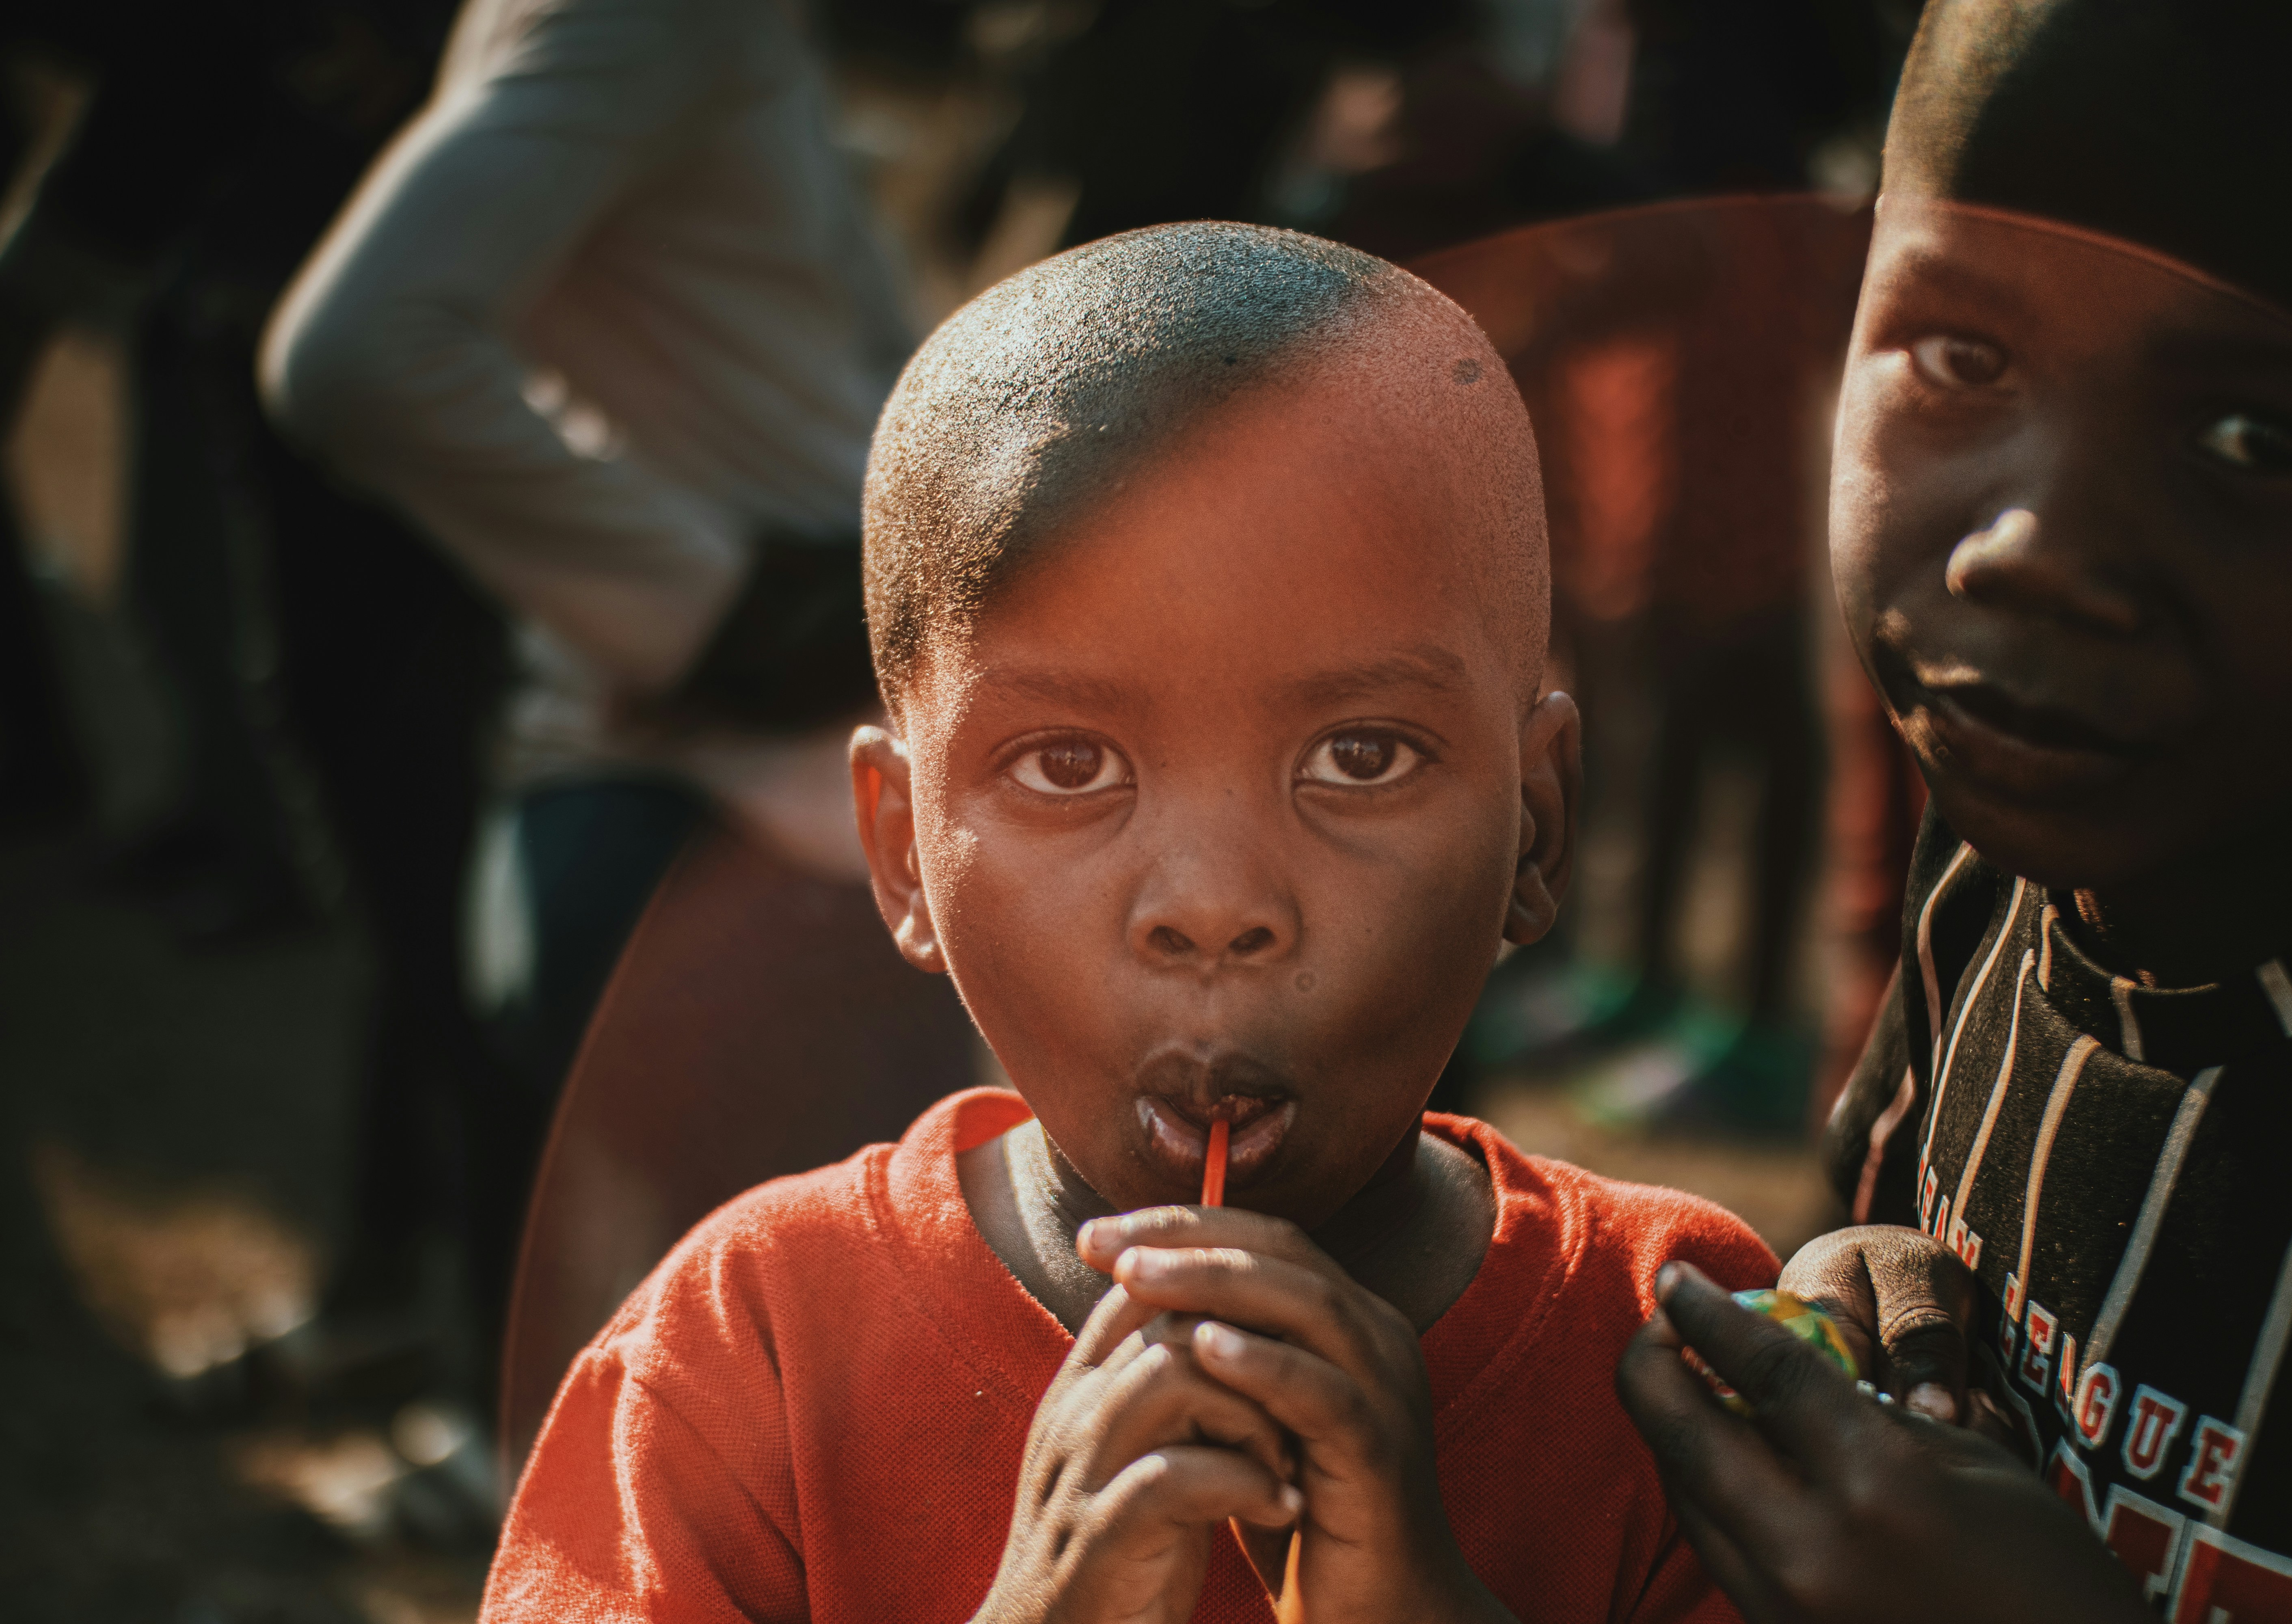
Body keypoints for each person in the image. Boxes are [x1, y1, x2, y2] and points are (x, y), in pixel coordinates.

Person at [482, 222, 1775, 1622]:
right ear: (901, 851)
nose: (1214, 906)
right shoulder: (748, 1358)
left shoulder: (1683, 1353)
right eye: (1066, 766)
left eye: (1359, 756)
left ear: (1537, 824)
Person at [1614, 2, 2292, 1620]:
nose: (2032, 542)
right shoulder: (1992, 868)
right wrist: (1860, 1298)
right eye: (1961, 356)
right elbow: (1888, 1232)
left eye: (2251, 439)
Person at [262, 0, 914, 1334]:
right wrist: (709, 613)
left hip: (755, 768)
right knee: (769, 1376)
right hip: (731, 800)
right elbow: (357, 352)